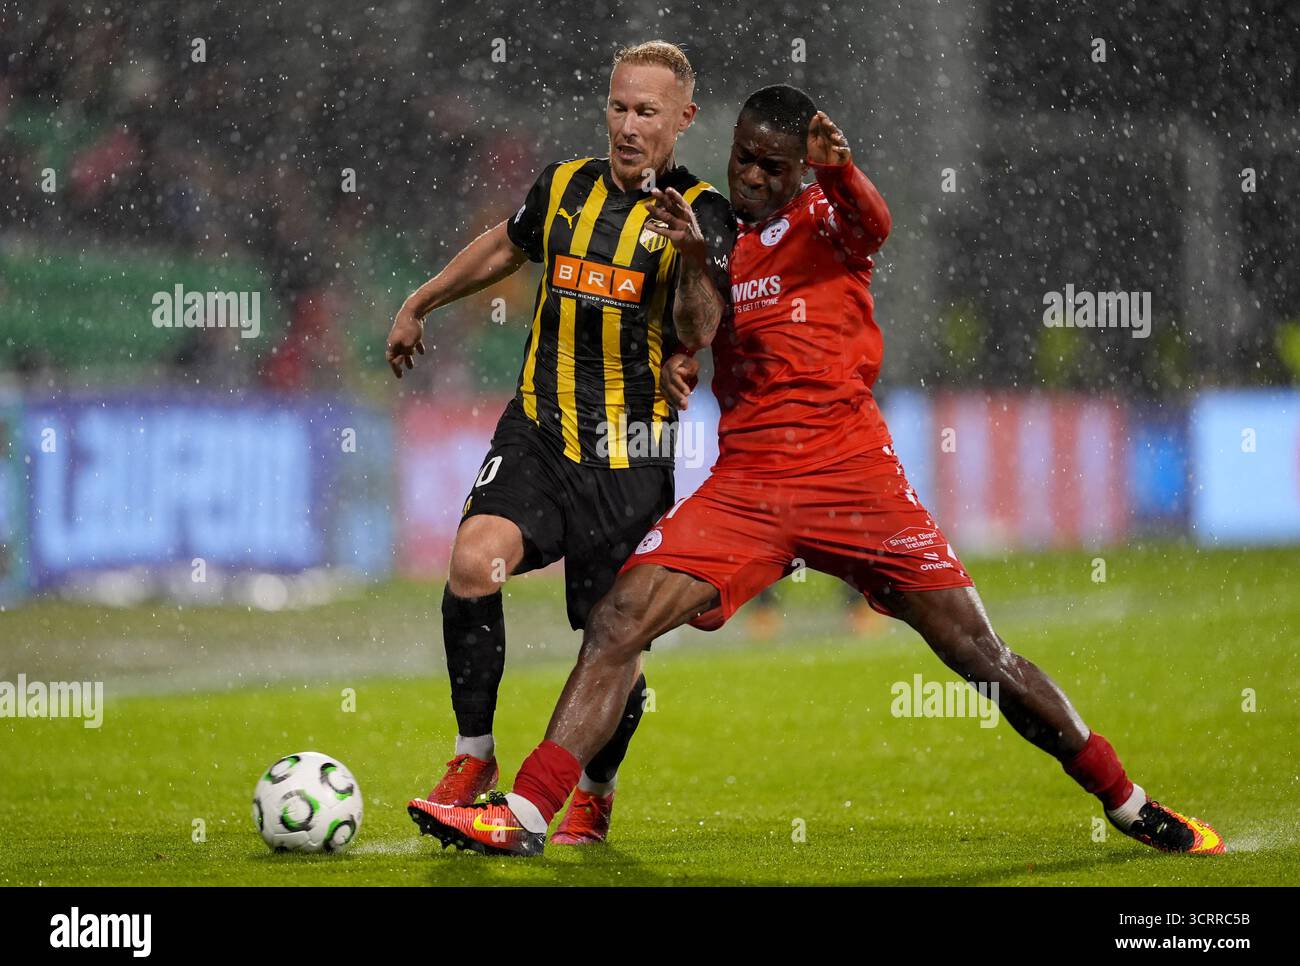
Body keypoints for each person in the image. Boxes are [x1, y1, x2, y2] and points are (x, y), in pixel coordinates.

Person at [407, 86, 1224, 859]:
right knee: (619, 617)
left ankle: (1128, 801)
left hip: (853, 480)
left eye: (774, 164)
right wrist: (680, 361)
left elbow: (877, 220)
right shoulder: (714, 235)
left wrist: (841, 168)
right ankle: (523, 812)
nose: (753, 176)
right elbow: (694, 329)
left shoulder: (829, 222)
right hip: (748, 488)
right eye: (743, 159)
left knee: (982, 656)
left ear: (801, 169)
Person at [386, 41, 733, 845]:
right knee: (475, 560)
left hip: (629, 453)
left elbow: (699, 330)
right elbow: (508, 244)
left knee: (611, 640)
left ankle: (597, 786)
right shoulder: (566, 185)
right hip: (541, 430)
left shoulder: (701, 213)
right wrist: (423, 300)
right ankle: (474, 758)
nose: (628, 125)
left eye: (647, 112)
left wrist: (686, 260)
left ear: (682, 119)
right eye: (618, 106)